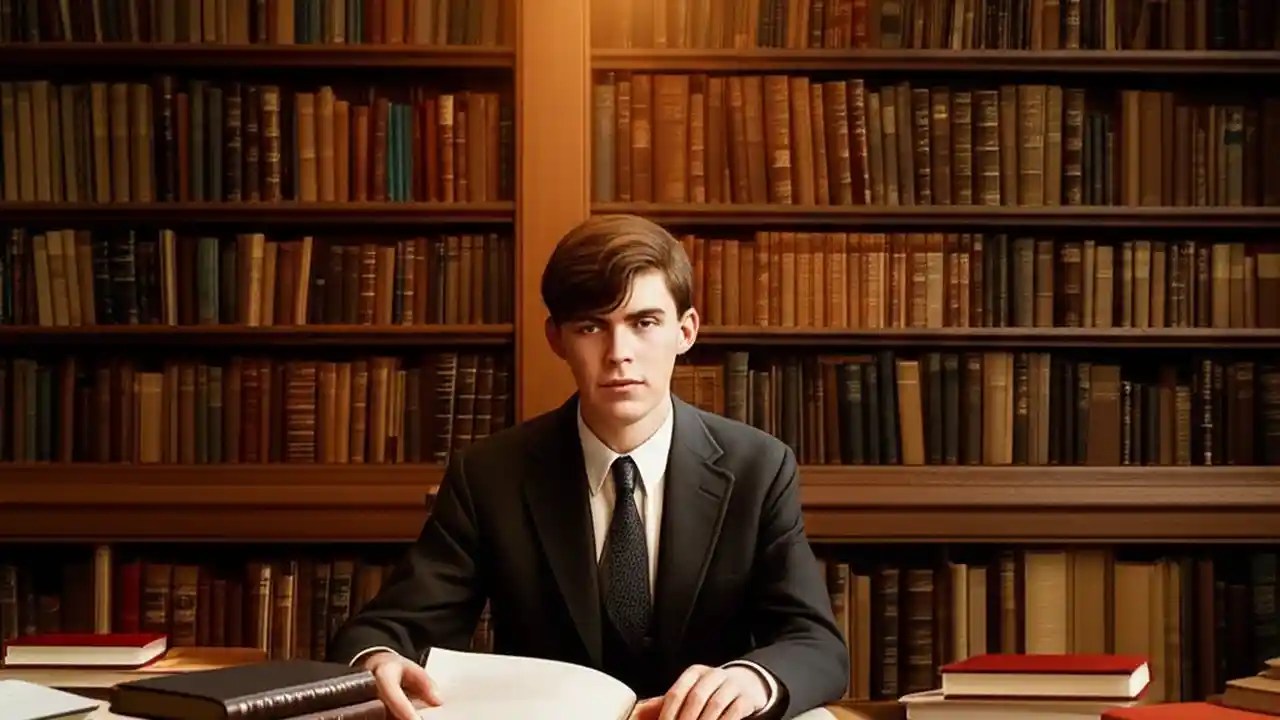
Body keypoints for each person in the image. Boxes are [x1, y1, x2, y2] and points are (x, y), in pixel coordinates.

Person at [327, 214, 849, 720]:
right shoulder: (489, 474)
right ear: (557, 339)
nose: (619, 353)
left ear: (686, 331)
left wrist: (752, 680)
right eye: (591, 327)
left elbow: (816, 644)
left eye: (644, 323)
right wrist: (378, 660)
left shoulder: (758, 467)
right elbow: (384, 631)